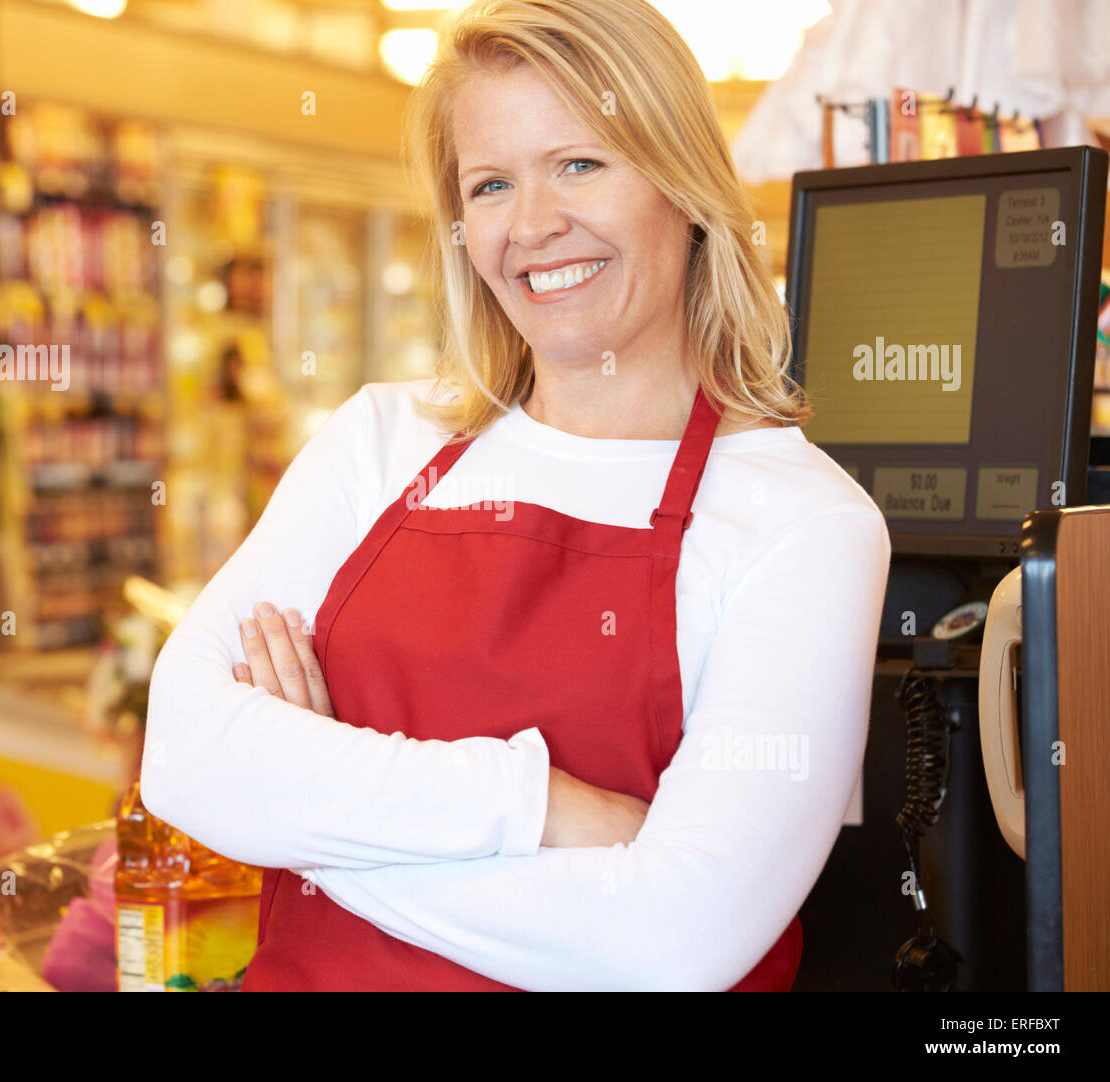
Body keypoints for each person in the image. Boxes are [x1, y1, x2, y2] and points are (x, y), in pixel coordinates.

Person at [140, 0, 891, 991]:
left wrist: (307, 817)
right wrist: (539, 805)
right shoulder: (378, 439)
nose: (534, 225)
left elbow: (667, 947)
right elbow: (186, 754)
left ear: (683, 181)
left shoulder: (804, 523)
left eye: (580, 163)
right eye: (491, 184)